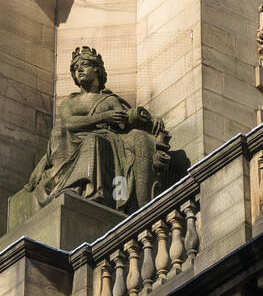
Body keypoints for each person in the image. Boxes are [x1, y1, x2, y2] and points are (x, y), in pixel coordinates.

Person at [27, 46, 172, 213]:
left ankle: (89, 191)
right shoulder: (69, 102)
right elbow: (68, 124)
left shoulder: (109, 100)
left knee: (93, 141)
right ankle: (62, 186)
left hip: (104, 140)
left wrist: (148, 121)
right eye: (75, 68)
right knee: (58, 133)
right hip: (72, 140)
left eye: (84, 64)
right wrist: (103, 117)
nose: (79, 70)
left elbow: (125, 122)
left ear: (97, 69)